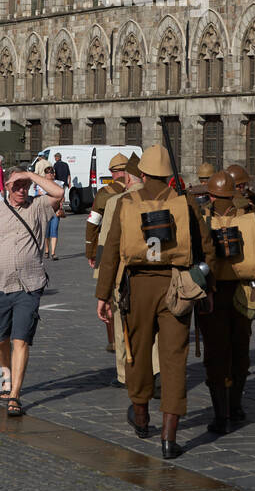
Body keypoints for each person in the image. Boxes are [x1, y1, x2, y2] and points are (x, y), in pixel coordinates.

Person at [96, 144, 217, 460]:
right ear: (168, 174)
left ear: (143, 172)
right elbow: (206, 247)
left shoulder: (126, 202)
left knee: (136, 350)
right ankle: (169, 436)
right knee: (175, 358)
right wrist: (209, 286)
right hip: (176, 284)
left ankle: (140, 417)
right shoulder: (184, 201)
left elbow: (110, 252)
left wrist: (103, 294)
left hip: (137, 285)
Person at [0, 165, 64, 417]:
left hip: (30, 285)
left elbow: (58, 192)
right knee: (0, 339)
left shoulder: (38, 207)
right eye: (16, 186)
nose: (21, 190)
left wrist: (29, 175)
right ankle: (5, 372)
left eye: (24, 186)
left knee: (21, 340)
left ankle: (15, 394)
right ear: (6, 187)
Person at [201, 170, 255, 432]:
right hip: (244, 290)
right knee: (240, 349)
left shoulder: (201, 217)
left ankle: (220, 415)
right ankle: (236, 406)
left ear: (210, 195)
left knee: (215, 352)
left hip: (212, 293)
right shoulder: (251, 216)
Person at [95, 153, 161, 392]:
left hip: (125, 274)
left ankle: (125, 374)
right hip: (160, 271)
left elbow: (106, 244)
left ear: (130, 178)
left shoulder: (117, 201)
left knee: (124, 327)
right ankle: (157, 371)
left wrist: (101, 281)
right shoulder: (166, 198)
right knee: (157, 327)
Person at [86, 152, 129, 352]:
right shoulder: (138, 190)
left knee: (108, 295)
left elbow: (93, 223)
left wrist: (90, 251)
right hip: (132, 249)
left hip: (106, 249)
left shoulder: (104, 193)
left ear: (112, 173)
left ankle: (113, 340)